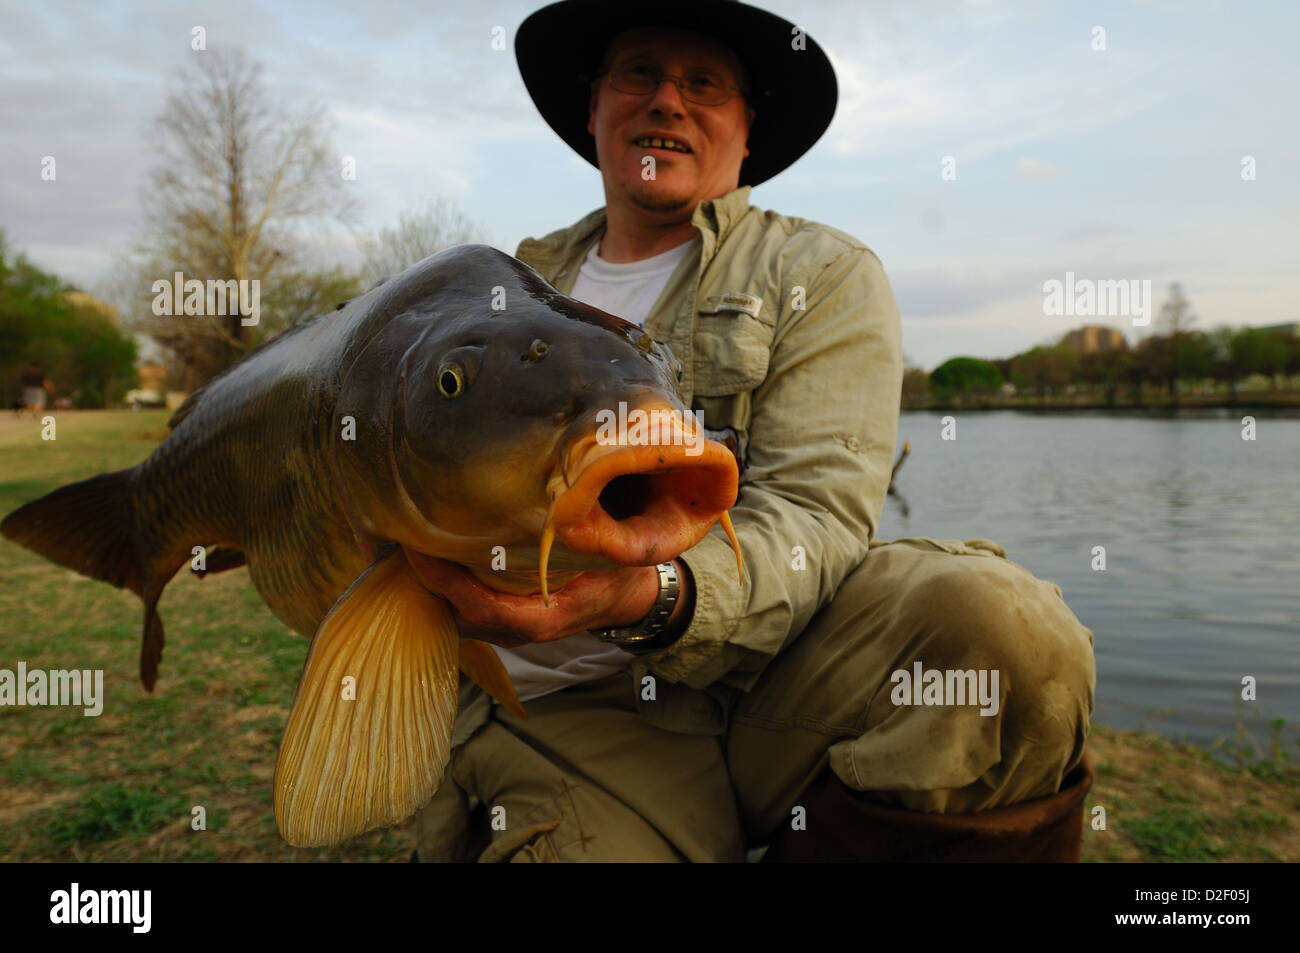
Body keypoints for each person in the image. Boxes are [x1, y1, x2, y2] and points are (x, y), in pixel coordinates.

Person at [406, 0, 1095, 862]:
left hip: (770, 671)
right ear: (593, 111)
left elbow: (815, 513)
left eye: (705, 83)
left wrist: (646, 594)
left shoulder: (824, 273)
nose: (667, 100)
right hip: (565, 693)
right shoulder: (498, 289)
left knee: (1005, 631)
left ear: (744, 130)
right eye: (639, 72)